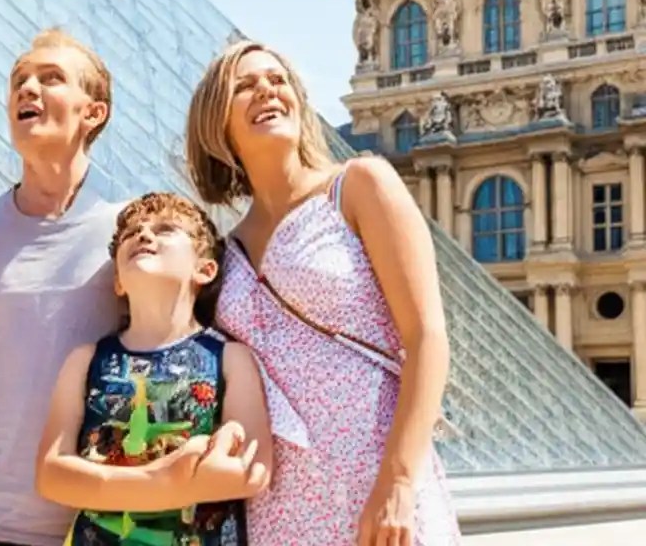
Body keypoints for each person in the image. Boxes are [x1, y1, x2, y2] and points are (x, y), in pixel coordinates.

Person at [184, 40, 461, 545]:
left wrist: (398, 482)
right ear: (216, 122)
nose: (266, 90)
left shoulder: (360, 185)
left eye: (278, 80)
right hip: (278, 503)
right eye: (243, 86)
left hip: (376, 481)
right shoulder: (222, 251)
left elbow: (427, 338)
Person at [0, 28, 137, 546]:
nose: (27, 88)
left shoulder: (134, 234)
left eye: (51, 79)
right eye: (18, 81)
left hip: (108, 526)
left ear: (93, 113)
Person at [35, 192, 273, 546]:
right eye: (131, 233)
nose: (143, 235)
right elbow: (51, 474)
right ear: (118, 280)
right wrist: (161, 481)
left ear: (205, 269)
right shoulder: (86, 360)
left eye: (165, 229)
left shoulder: (229, 358)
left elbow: (253, 471)